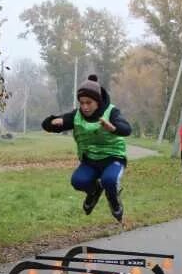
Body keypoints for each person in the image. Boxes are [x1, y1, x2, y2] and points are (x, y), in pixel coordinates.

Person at [41, 74, 132, 221]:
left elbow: (127, 129)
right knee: (78, 182)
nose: (85, 107)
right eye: (82, 103)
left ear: (97, 101)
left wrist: (113, 128)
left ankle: (114, 202)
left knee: (109, 181)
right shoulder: (77, 115)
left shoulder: (111, 112)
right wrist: (52, 122)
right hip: (90, 161)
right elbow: (49, 125)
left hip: (113, 158)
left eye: (89, 102)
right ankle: (94, 191)